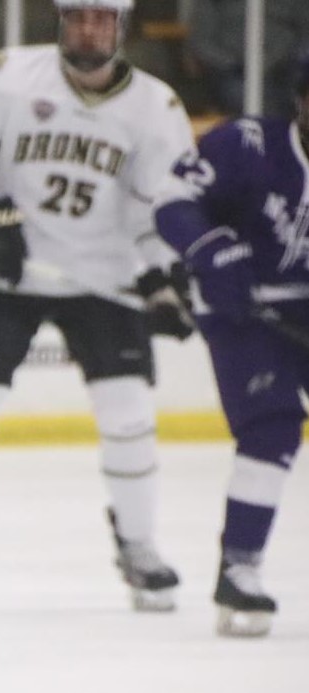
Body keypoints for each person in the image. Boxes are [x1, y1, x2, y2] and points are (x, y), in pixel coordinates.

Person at [0, 0, 196, 616]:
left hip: (104, 278)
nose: (88, 30)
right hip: (7, 272)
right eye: (77, 18)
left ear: (122, 27)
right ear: (60, 21)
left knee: (130, 413)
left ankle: (139, 546)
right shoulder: (7, 75)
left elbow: (154, 213)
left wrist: (161, 281)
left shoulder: (157, 109)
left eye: (101, 20)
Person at [152, 56, 309, 638]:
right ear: (299, 101)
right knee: (271, 426)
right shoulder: (247, 146)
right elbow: (172, 199)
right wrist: (210, 247)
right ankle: (239, 566)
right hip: (240, 307)